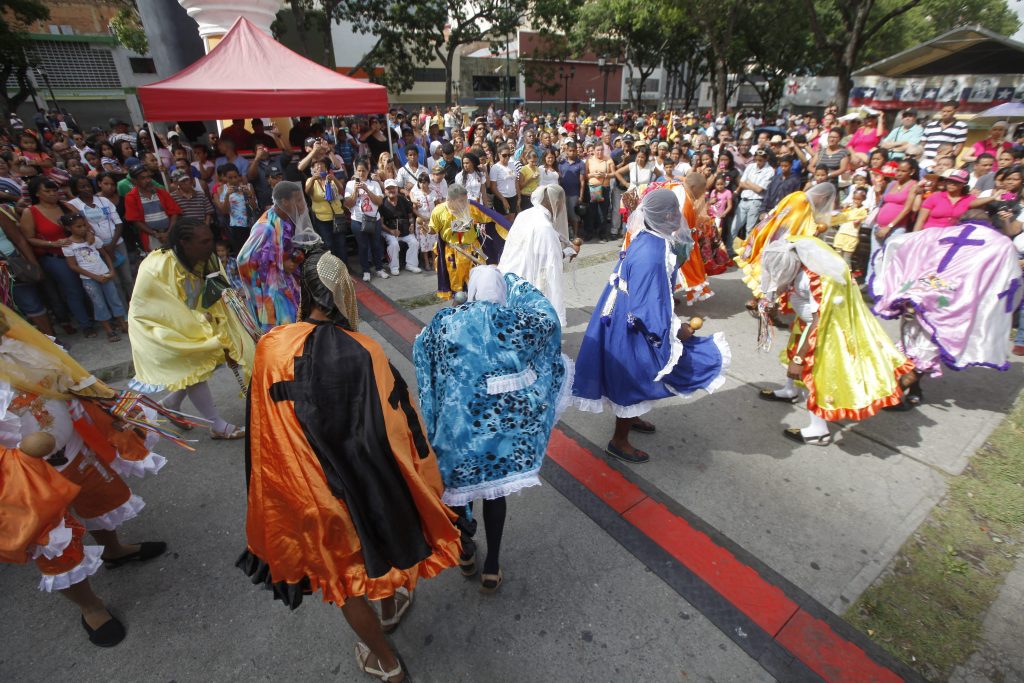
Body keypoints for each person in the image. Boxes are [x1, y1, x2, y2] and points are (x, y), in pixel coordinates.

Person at [238, 250, 460, 683]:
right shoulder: (365, 350)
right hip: (365, 486)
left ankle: (387, 658)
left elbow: (262, 428)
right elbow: (399, 425)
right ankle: (390, 631)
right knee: (375, 551)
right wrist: (421, 478)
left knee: (344, 583)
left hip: (310, 493)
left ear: (304, 292)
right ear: (344, 295)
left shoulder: (272, 346)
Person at [0, 304, 168, 646]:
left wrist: (105, 401)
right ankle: (90, 607)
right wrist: (22, 454)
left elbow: (68, 381)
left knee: (101, 503)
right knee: (56, 545)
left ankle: (114, 551)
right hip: (27, 480)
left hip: (74, 450)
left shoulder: (22, 343)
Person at [415, 266, 570, 593]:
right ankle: (492, 565)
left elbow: (422, 350)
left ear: (471, 291)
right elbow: (548, 320)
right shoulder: (514, 323)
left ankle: (466, 552)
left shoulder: (447, 322)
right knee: (493, 495)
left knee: (458, 492)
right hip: (499, 436)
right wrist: (515, 281)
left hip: (458, 432)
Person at [572, 189, 730, 464]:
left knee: (635, 376)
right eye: (675, 213)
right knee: (634, 378)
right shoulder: (652, 252)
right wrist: (674, 330)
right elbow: (647, 306)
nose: (678, 217)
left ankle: (630, 419)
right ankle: (618, 441)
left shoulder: (650, 238)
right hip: (631, 322)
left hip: (623, 313)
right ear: (667, 216)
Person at [757, 232, 911, 444]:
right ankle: (790, 390)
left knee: (816, 372)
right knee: (795, 355)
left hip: (825, 331)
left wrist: (800, 359)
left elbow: (820, 321)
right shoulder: (800, 253)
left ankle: (818, 431)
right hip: (807, 324)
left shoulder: (816, 280)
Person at [871, 210, 1023, 408]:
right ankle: (891, 396)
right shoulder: (999, 243)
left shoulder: (939, 233)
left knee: (912, 345)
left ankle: (914, 389)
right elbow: (1009, 279)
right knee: (925, 350)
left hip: (918, 296)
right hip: (951, 305)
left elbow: (902, 243)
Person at [127, 219, 254, 439]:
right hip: (157, 326)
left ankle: (170, 403)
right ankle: (216, 425)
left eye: (211, 240)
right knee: (192, 366)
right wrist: (202, 322)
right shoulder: (157, 267)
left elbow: (222, 296)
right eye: (204, 242)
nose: (210, 246)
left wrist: (230, 334)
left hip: (192, 319)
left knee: (201, 362)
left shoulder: (208, 259)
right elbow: (164, 312)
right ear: (184, 243)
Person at [734, 183, 837, 302]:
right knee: (776, 276)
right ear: (823, 197)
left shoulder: (798, 196)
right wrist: (815, 232)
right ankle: (765, 308)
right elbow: (798, 228)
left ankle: (757, 301)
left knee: (768, 272)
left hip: (772, 235)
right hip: (780, 242)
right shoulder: (803, 203)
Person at [20, 176, 94, 336]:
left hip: (82, 253)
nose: (52, 194)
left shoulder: (66, 206)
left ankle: (99, 317)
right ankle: (85, 324)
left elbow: (86, 225)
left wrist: (89, 234)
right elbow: (28, 238)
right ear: (37, 193)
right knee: (73, 291)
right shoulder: (30, 212)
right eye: (47, 191)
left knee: (90, 286)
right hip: (56, 257)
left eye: (54, 190)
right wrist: (52, 244)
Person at [498, 185, 577, 325]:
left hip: (509, 273)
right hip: (526, 278)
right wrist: (570, 251)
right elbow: (551, 261)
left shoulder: (524, 214)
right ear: (557, 203)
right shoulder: (545, 227)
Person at [236, 181, 309, 333]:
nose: (301, 203)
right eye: (298, 199)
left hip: (287, 281)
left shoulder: (286, 218)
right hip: (273, 289)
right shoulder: (266, 227)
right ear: (284, 202)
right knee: (283, 329)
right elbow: (243, 260)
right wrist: (279, 263)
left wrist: (293, 259)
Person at [60, 213, 126, 342]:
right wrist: (94, 276)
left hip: (105, 274)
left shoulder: (93, 239)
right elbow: (73, 266)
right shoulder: (68, 245)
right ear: (69, 228)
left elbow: (105, 255)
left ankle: (123, 323)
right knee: (99, 303)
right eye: (78, 226)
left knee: (114, 299)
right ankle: (109, 330)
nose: (83, 229)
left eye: (84, 225)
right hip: (89, 279)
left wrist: (111, 270)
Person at [67, 175, 132, 301]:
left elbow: (118, 223)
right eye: (82, 187)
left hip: (117, 242)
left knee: (128, 279)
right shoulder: (73, 205)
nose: (87, 189)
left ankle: (138, 306)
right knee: (115, 282)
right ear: (75, 189)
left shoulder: (103, 200)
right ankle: (125, 311)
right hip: (97, 248)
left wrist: (112, 245)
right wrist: (104, 247)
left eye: (88, 185)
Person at [430, 183, 491, 299]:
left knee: (477, 284)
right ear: (451, 200)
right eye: (461, 201)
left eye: (465, 200)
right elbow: (433, 230)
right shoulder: (438, 211)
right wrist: (427, 230)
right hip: (453, 253)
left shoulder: (471, 207)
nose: (465, 203)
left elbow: (489, 219)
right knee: (458, 291)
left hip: (473, 249)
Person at [344, 158, 388, 282]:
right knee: (363, 246)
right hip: (357, 219)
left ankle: (379, 268)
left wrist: (367, 190)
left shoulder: (374, 184)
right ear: (355, 171)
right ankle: (366, 270)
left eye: (364, 171)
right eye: (359, 171)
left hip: (374, 219)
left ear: (368, 171)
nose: (361, 173)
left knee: (376, 245)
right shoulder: (350, 184)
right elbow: (348, 204)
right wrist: (355, 191)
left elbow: (379, 202)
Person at [123, 165, 181, 252]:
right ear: (135, 181)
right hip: (151, 236)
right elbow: (135, 221)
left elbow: (174, 213)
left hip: (170, 233)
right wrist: (155, 234)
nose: (148, 180)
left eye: (149, 177)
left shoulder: (161, 192)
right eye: (143, 178)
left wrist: (168, 233)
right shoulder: (131, 197)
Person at [212, 163, 257, 254]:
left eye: (236, 177)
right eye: (230, 178)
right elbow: (224, 211)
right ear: (225, 178)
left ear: (239, 175)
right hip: (235, 226)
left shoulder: (248, 186)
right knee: (240, 252)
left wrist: (249, 195)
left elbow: (254, 207)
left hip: (250, 224)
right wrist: (227, 195)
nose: (234, 180)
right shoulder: (222, 189)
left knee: (253, 252)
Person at [379, 179, 421, 275]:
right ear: (385, 190)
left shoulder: (402, 199)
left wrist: (411, 224)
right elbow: (381, 224)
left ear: (397, 188)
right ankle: (394, 267)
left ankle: (411, 264)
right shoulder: (382, 203)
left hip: (405, 229)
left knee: (414, 242)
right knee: (394, 244)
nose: (391, 190)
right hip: (389, 230)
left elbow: (410, 215)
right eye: (388, 188)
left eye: (393, 188)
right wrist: (391, 231)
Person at [733, 149, 775, 244]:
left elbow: (760, 189)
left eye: (760, 160)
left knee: (750, 229)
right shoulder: (751, 166)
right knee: (734, 227)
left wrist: (747, 183)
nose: (758, 162)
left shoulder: (770, 171)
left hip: (756, 201)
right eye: (756, 159)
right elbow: (742, 183)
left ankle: (746, 252)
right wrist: (752, 185)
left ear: (766, 159)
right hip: (743, 200)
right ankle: (729, 249)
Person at [303, 159, 344, 252]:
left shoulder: (331, 178)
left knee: (341, 243)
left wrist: (334, 179)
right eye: (317, 166)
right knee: (328, 243)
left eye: (322, 165)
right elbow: (307, 192)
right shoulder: (310, 180)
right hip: (322, 218)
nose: (320, 167)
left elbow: (341, 190)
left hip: (336, 215)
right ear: (313, 169)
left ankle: (344, 264)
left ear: (326, 168)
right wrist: (313, 179)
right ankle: (331, 265)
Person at [921, 101, 968, 167]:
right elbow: (923, 143)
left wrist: (950, 159)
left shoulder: (961, 126)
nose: (945, 114)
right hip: (926, 161)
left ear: (955, 111)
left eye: (949, 111)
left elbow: (959, 146)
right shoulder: (930, 125)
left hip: (944, 163)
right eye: (943, 111)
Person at [558, 141, 586, 239]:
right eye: (570, 151)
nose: (572, 153)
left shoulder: (580, 163)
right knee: (563, 215)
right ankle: (565, 235)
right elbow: (559, 178)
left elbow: (582, 181)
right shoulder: (561, 163)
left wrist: (581, 196)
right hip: (562, 193)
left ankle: (575, 235)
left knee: (573, 215)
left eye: (574, 151)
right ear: (566, 151)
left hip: (574, 193)